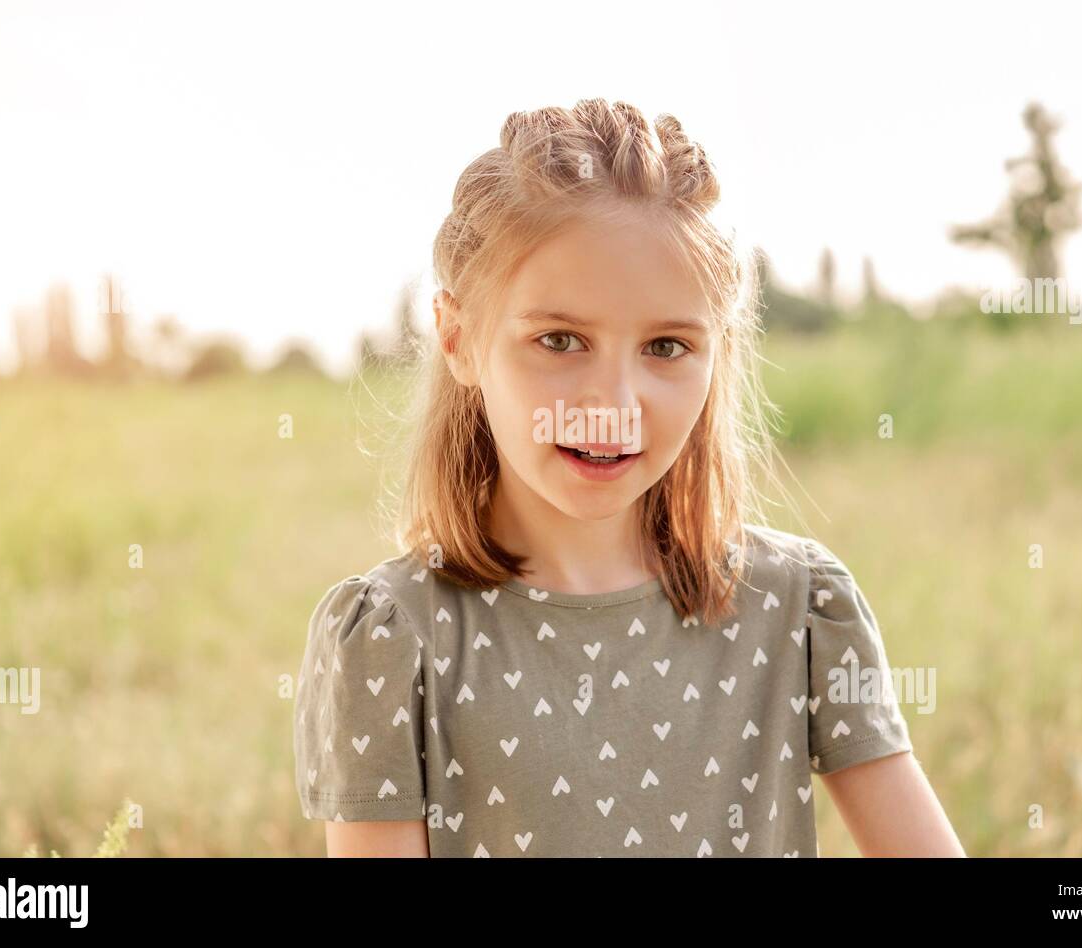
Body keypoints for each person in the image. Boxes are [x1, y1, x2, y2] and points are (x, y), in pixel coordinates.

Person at [293, 98, 964, 857]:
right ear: (459, 339)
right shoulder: (392, 638)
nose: (613, 404)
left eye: (667, 348)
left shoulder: (802, 611)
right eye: (559, 340)